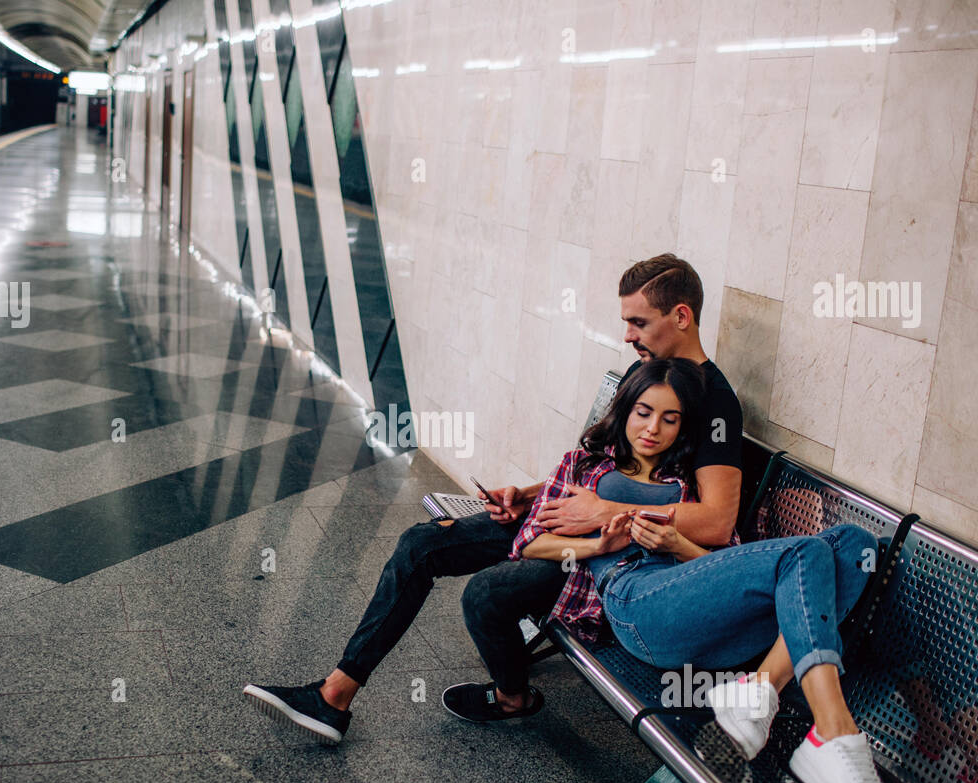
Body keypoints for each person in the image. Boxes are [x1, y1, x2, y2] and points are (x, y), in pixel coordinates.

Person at [242, 254, 742, 744]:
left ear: (681, 316)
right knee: (421, 544)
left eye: (638, 322)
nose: (627, 335)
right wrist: (525, 497)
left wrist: (607, 512)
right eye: (626, 322)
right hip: (569, 520)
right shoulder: (648, 375)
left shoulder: (712, 402)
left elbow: (718, 522)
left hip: (611, 555)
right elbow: (603, 467)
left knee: (488, 593)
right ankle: (335, 696)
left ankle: (511, 699)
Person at [516, 361, 893, 783]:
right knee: (807, 553)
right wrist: (600, 544)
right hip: (636, 603)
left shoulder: (689, 486)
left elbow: (721, 566)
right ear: (625, 411)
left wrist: (679, 543)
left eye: (670, 419)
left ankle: (759, 691)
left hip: (705, 608)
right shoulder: (585, 466)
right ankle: (831, 730)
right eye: (643, 412)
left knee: (854, 544)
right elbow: (529, 541)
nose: (653, 428)